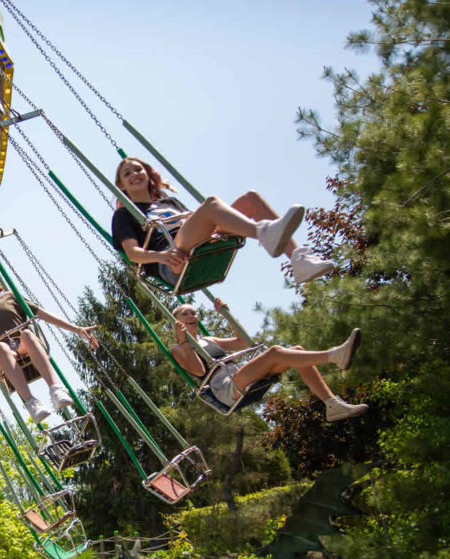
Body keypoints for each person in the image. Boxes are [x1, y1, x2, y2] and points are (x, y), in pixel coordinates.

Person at [111, 157, 335, 286]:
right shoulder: (125, 214)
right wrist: (162, 256)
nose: (134, 175)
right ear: (121, 186)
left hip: (195, 243)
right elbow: (133, 253)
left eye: (138, 169)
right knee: (211, 204)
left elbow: (195, 222)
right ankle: (264, 233)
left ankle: (299, 260)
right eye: (127, 174)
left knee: (250, 199)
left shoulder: (170, 202)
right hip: (172, 261)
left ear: (148, 174)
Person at [170, 299, 368, 421]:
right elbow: (198, 371)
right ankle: (334, 356)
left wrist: (226, 315)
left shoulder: (209, 339)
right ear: (177, 322)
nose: (191, 316)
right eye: (184, 314)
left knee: (296, 351)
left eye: (193, 313)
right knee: (275, 352)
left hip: (238, 373)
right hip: (224, 386)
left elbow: (242, 342)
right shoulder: (178, 348)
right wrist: (184, 341)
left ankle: (332, 405)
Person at [0, 263, 99, 423]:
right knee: (0, 346)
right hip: (1, 359)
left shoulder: (10, 297)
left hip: (22, 346)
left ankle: (55, 389)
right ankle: (31, 403)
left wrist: (77, 329)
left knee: (28, 333)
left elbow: (42, 314)